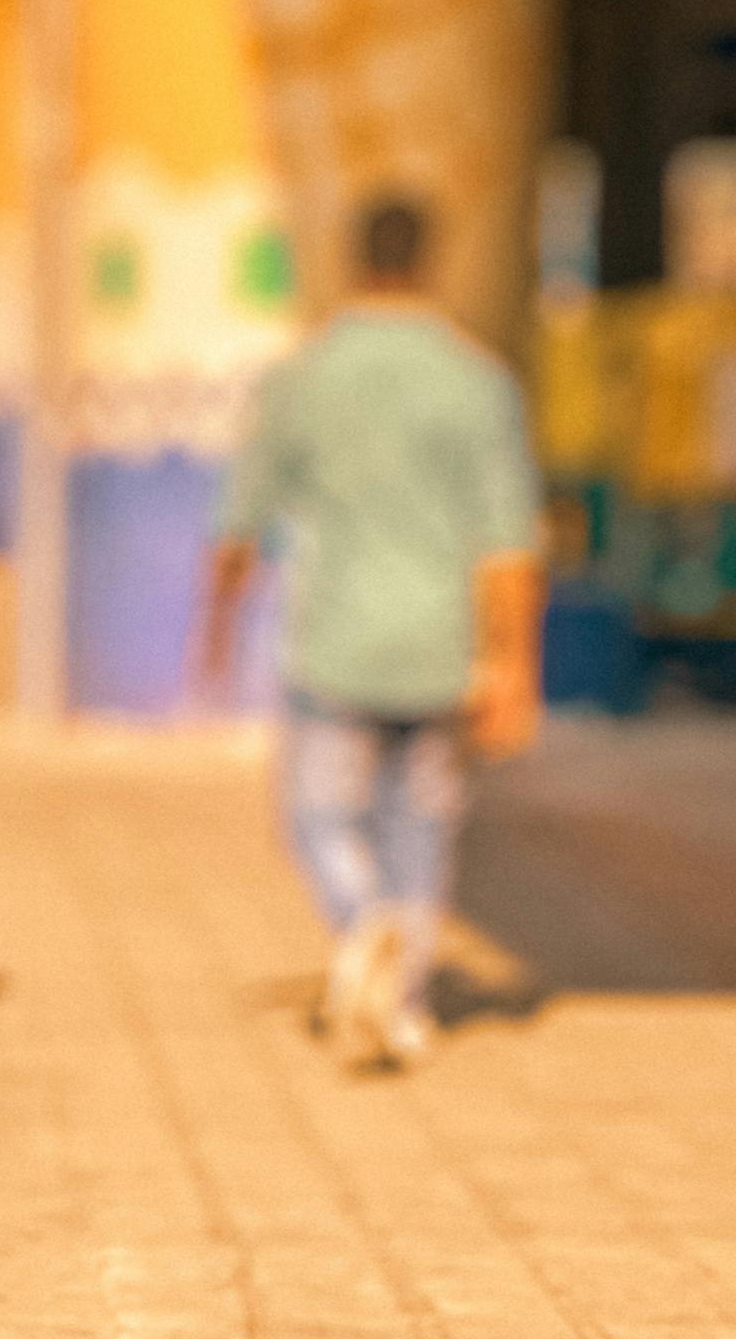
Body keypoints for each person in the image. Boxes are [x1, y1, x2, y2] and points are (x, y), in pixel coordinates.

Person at [200, 190, 544, 1068]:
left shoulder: (301, 378)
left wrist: (214, 635)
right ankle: (407, 1005)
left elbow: (239, 527)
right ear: (430, 264)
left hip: (335, 643)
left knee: (317, 815)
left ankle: (361, 919)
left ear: (352, 261)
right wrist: (514, 667)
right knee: (421, 824)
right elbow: (510, 545)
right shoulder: (478, 381)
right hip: (440, 647)